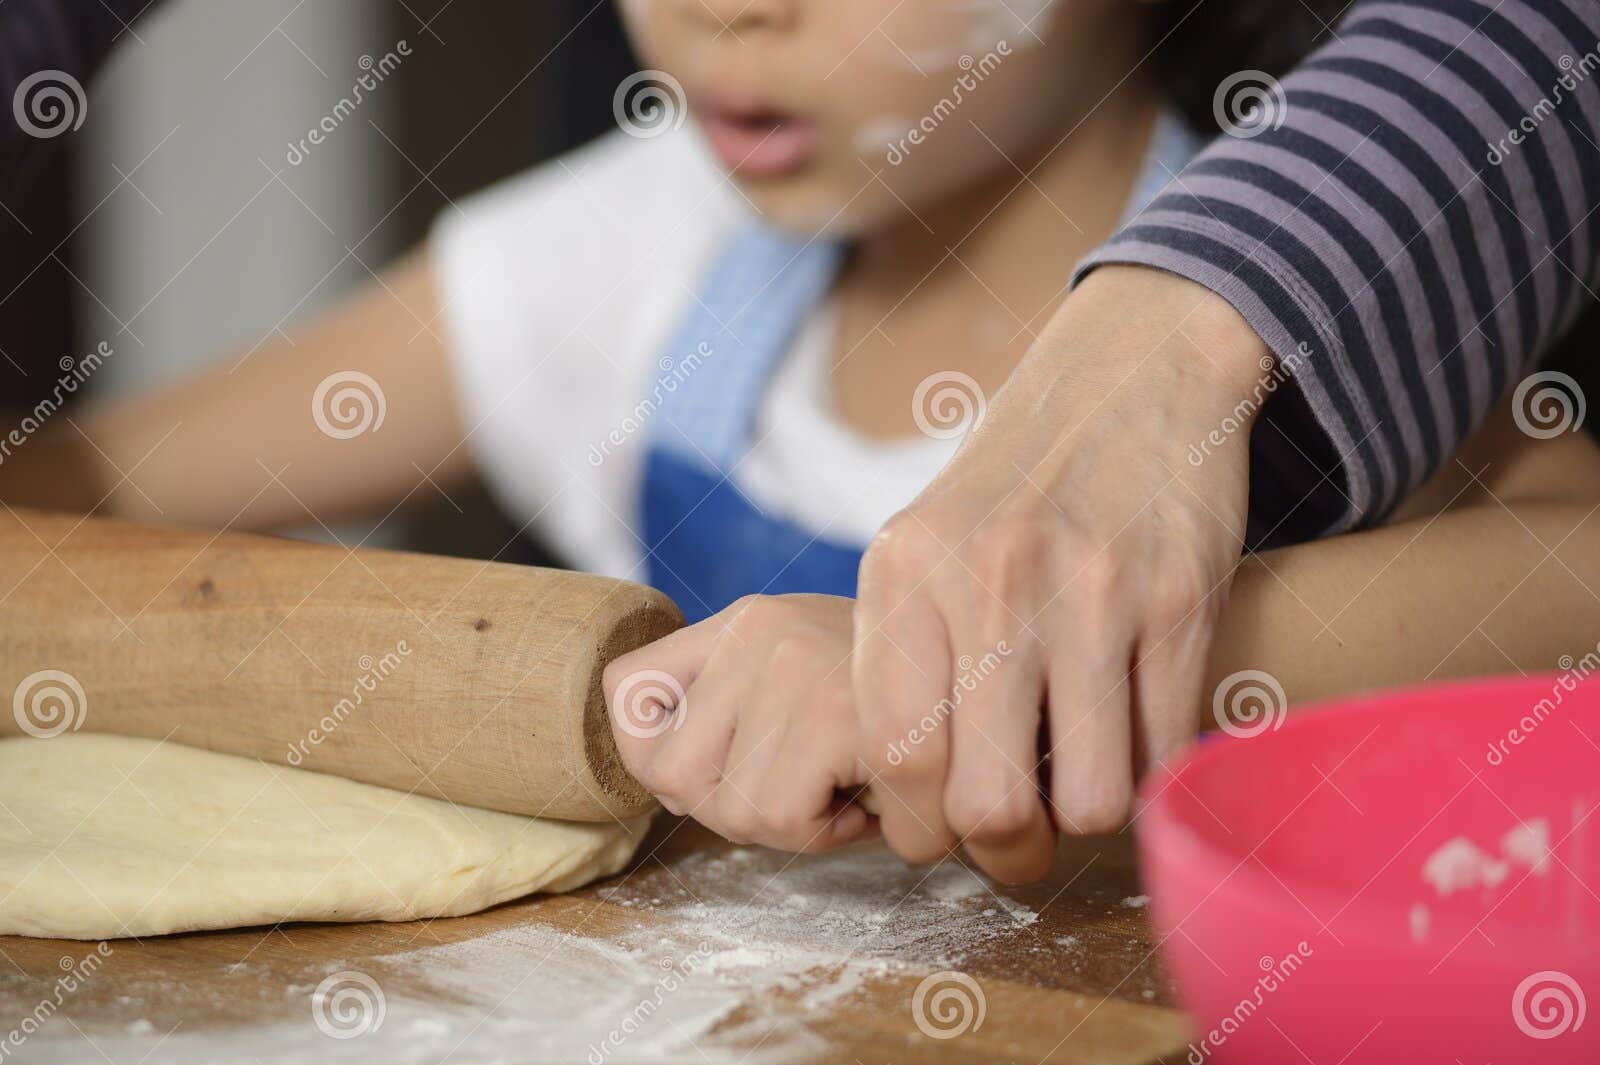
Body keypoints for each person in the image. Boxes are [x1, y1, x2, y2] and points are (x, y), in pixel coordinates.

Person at [4, 0, 1598, 883]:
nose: (722, 9)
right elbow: (64, 512)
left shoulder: (1334, 316)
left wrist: (955, 669)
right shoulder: (637, 258)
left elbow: (1568, 582)